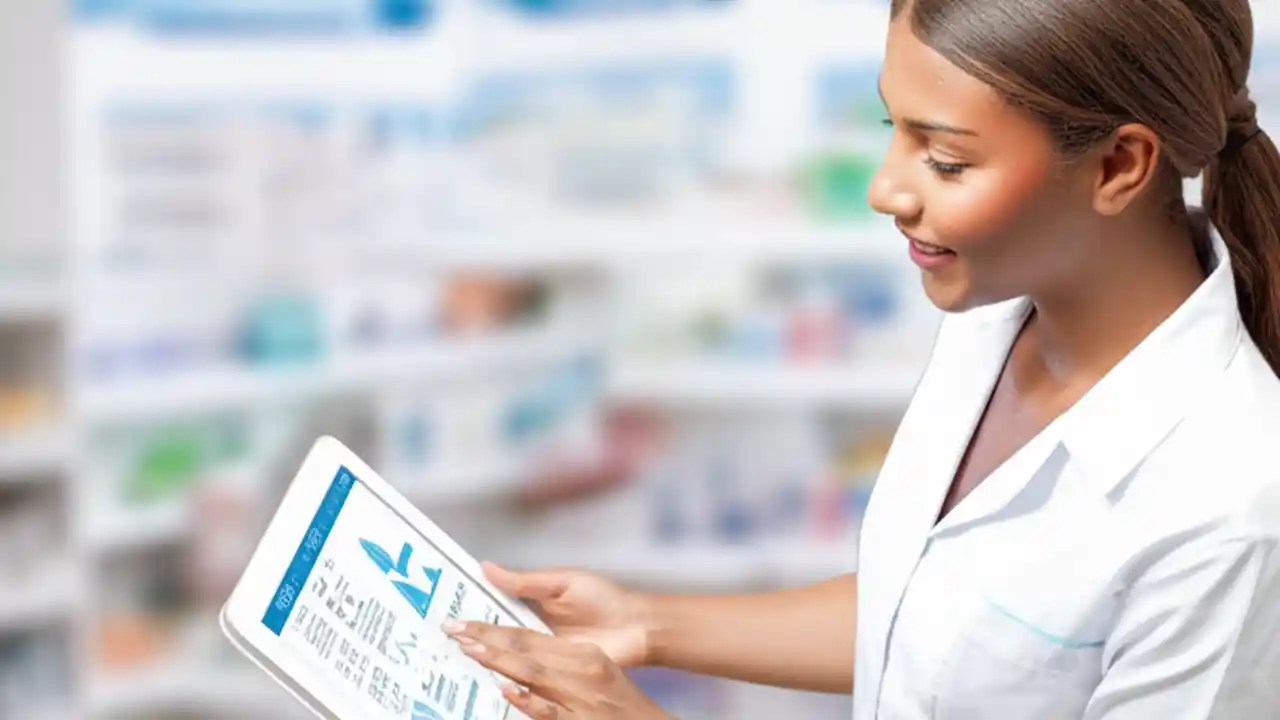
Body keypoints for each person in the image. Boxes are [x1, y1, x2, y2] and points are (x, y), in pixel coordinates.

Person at [440, 0, 1280, 717]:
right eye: (894, 128)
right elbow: (937, 617)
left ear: (1118, 166)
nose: (885, 188)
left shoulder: (1226, 512)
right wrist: (648, 623)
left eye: (945, 159)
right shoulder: (995, 317)